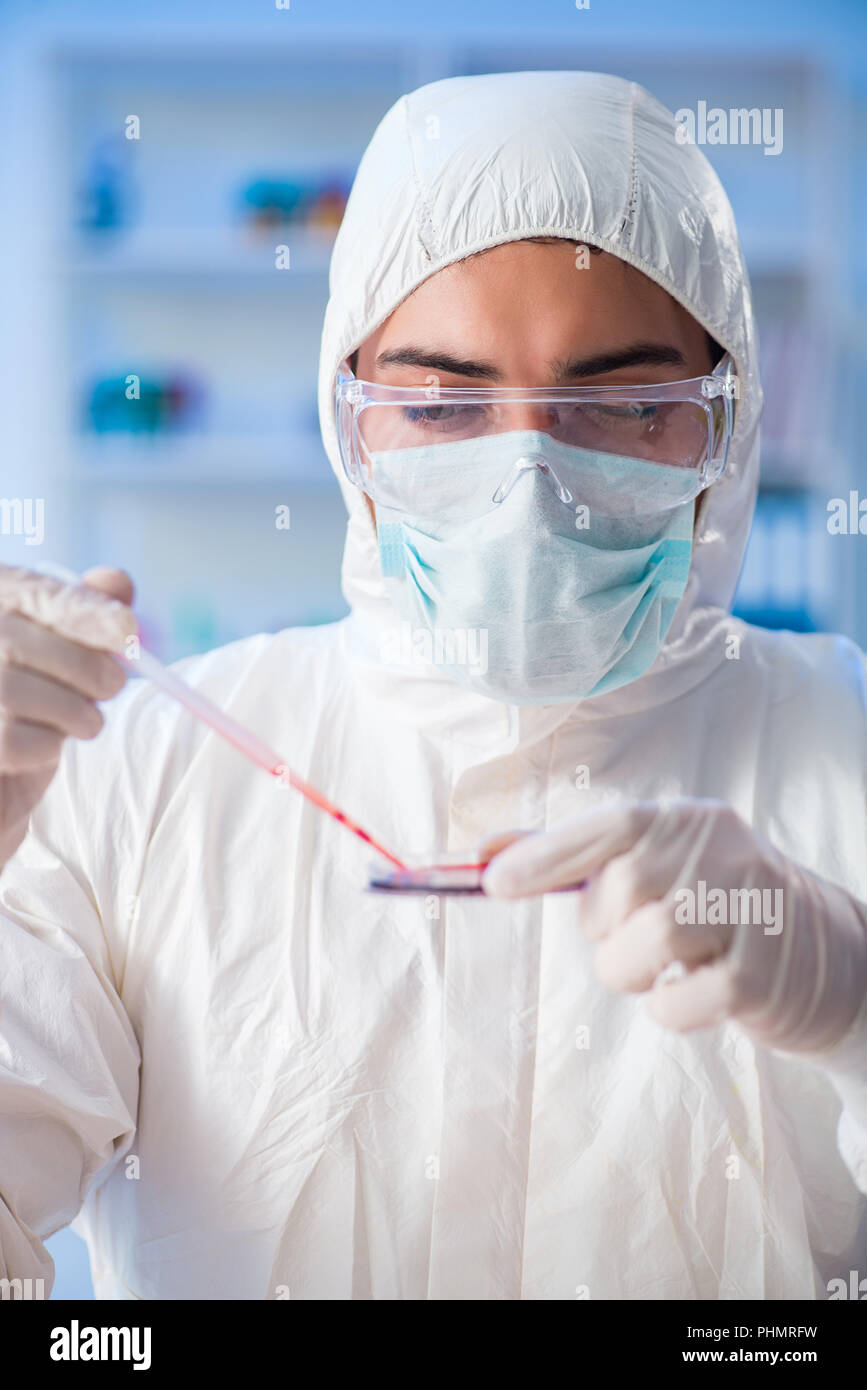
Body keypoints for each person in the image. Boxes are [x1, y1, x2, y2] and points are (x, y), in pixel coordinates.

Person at [0, 70, 865, 1301]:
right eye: (438, 404)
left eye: (621, 405)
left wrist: (858, 1010)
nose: (529, 484)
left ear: (725, 423)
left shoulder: (849, 745)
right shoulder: (139, 775)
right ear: (347, 421)